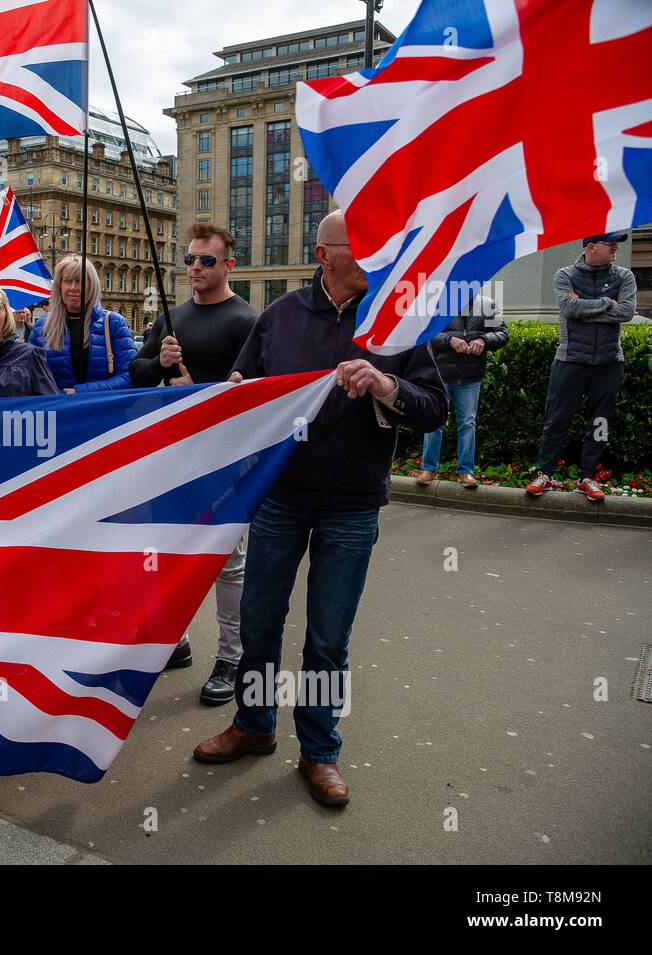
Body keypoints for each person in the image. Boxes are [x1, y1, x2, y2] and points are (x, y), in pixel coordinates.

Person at [192, 210, 447, 808]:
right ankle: (254, 727)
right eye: (360, 248)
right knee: (259, 624)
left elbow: (434, 406)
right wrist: (233, 392)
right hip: (279, 498)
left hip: (352, 504)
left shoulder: (398, 318)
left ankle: (320, 752)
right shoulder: (279, 316)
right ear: (323, 253)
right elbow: (245, 386)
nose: (374, 258)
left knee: (329, 637)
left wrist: (388, 386)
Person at [131, 223, 259, 703]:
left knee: (227, 563)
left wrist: (200, 394)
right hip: (171, 458)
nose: (195, 268)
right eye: (189, 259)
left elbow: (256, 396)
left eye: (206, 260)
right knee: (165, 552)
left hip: (224, 460)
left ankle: (231, 655)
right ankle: (175, 640)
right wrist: (161, 365)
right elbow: (136, 375)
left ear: (229, 264)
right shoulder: (172, 317)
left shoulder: (246, 321)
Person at [526, 232, 637, 503]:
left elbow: (626, 312)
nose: (615, 248)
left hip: (609, 363)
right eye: (609, 244)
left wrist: (584, 307)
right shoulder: (565, 274)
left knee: (600, 423)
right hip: (570, 361)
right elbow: (567, 306)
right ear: (590, 247)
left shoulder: (625, 276)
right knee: (556, 419)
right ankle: (545, 474)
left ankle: (588, 476)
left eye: (616, 244)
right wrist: (605, 303)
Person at [415, 294, 511, 489]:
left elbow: (502, 334)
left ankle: (466, 471)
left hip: (471, 375)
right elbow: (426, 333)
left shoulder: (488, 304)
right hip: (441, 375)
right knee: (434, 422)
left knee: (468, 423)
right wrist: (449, 340)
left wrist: (484, 340)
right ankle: (429, 468)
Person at [30, 255, 136, 393]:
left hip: (103, 412)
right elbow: (31, 378)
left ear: (92, 286)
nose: (73, 287)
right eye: (67, 281)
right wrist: (59, 395)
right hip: (58, 411)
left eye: (80, 281)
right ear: (59, 286)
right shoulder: (41, 327)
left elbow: (130, 376)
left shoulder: (114, 323)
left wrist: (81, 392)